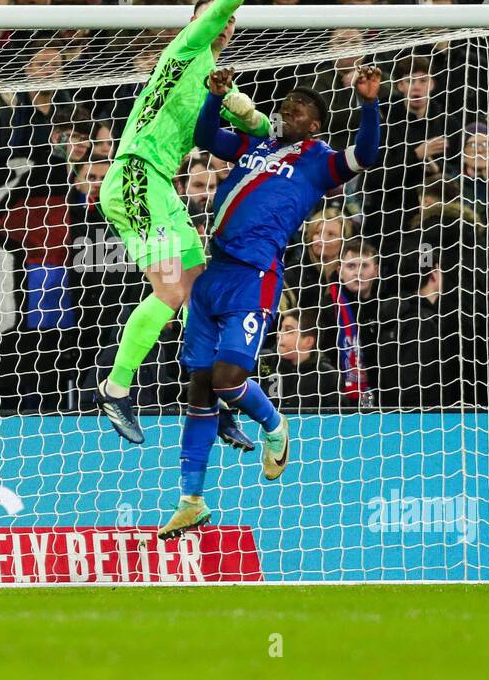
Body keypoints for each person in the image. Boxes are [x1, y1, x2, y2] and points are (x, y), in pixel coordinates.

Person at [157, 64, 381, 539]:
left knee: (226, 379)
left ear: (315, 123)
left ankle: (275, 425)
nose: (288, 108)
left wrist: (368, 103)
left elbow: (366, 154)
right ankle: (191, 502)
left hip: (254, 277)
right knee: (198, 389)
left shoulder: (319, 159)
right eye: (285, 104)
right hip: (213, 272)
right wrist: (215, 96)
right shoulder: (252, 143)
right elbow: (205, 135)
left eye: (299, 107)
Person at [94, 0, 286, 445]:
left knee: (201, 295)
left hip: (158, 186)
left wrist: (272, 127)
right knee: (172, 291)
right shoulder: (182, 52)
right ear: (196, 22)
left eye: (231, 26)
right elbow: (218, 10)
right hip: (135, 176)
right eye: (218, 19)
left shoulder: (214, 80)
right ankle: (114, 389)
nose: (225, 27)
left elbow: (252, 123)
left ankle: (212, 400)